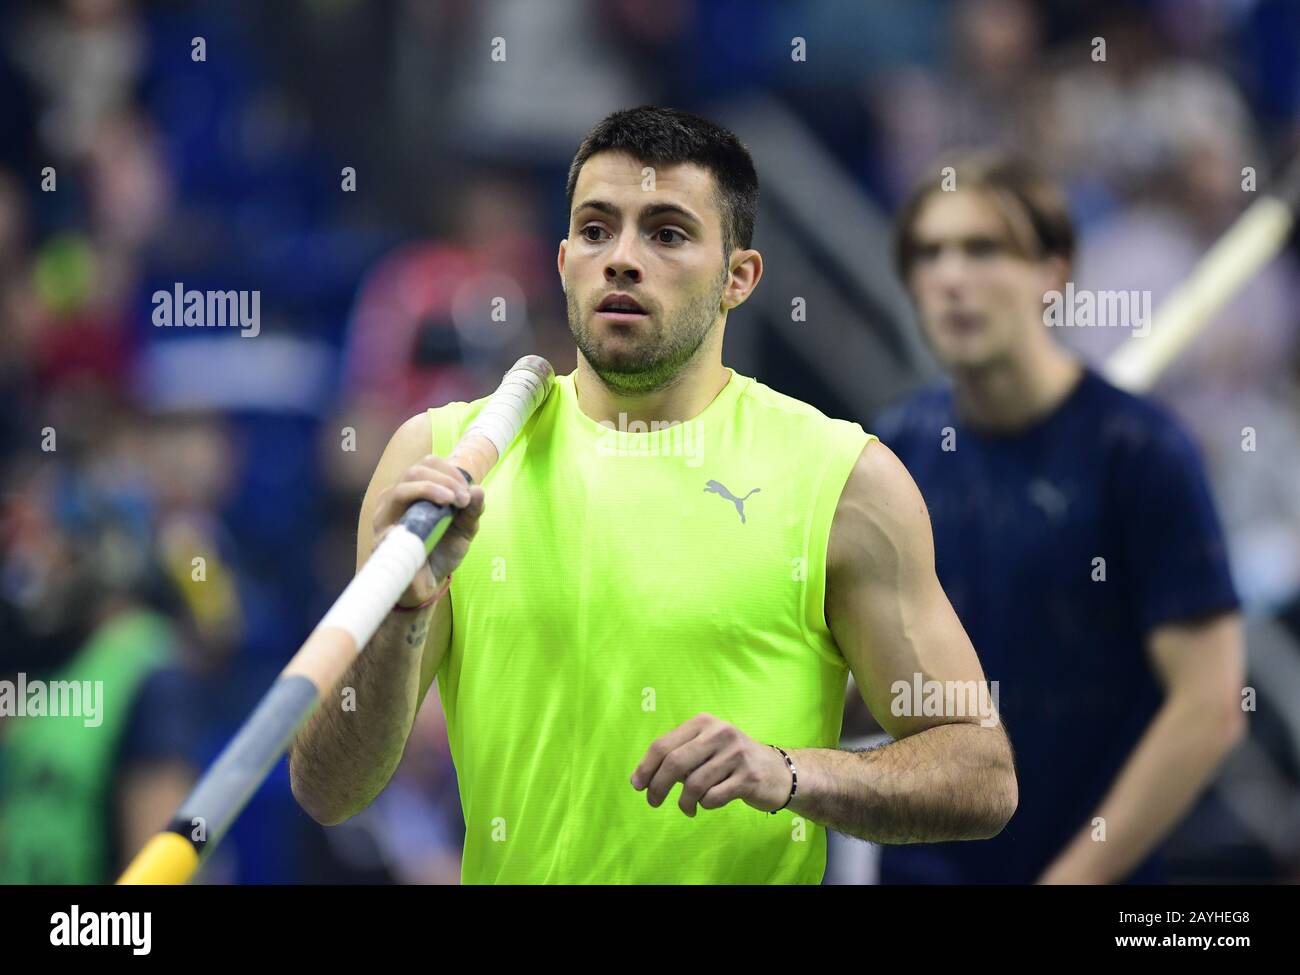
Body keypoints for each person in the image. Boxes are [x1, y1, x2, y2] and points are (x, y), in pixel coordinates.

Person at [289, 107, 1017, 884]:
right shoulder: (443, 465)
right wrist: (404, 617)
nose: (622, 259)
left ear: (740, 277)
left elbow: (981, 771)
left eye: (667, 233)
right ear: (564, 259)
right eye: (597, 230)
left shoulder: (842, 479)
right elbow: (328, 789)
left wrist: (793, 773)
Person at [874, 152, 1245, 884]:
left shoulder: (1141, 452)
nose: (951, 277)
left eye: (984, 248)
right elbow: (865, 685)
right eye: (928, 253)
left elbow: (1209, 705)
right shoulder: (891, 452)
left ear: (1054, 272)